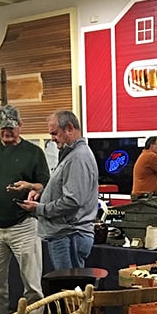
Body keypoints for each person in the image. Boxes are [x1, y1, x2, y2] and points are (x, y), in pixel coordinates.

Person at [0, 104, 50, 314]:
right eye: (3, 128)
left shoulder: (34, 153)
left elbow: (45, 185)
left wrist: (30, 187)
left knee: (32, 284)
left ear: (20, 126)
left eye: (11, 128)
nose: (7, 132)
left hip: (24, 225)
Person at [18, 110, 98, 269]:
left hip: (69, 236)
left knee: (70, 289)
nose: (52, 138)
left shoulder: (78, 158)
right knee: (69, 287)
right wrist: (41, 194)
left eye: (55, 133)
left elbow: (73, 201)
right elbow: (66, 190)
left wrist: (41, 208)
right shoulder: (72, 155)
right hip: (67, 235)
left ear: (69, 128)